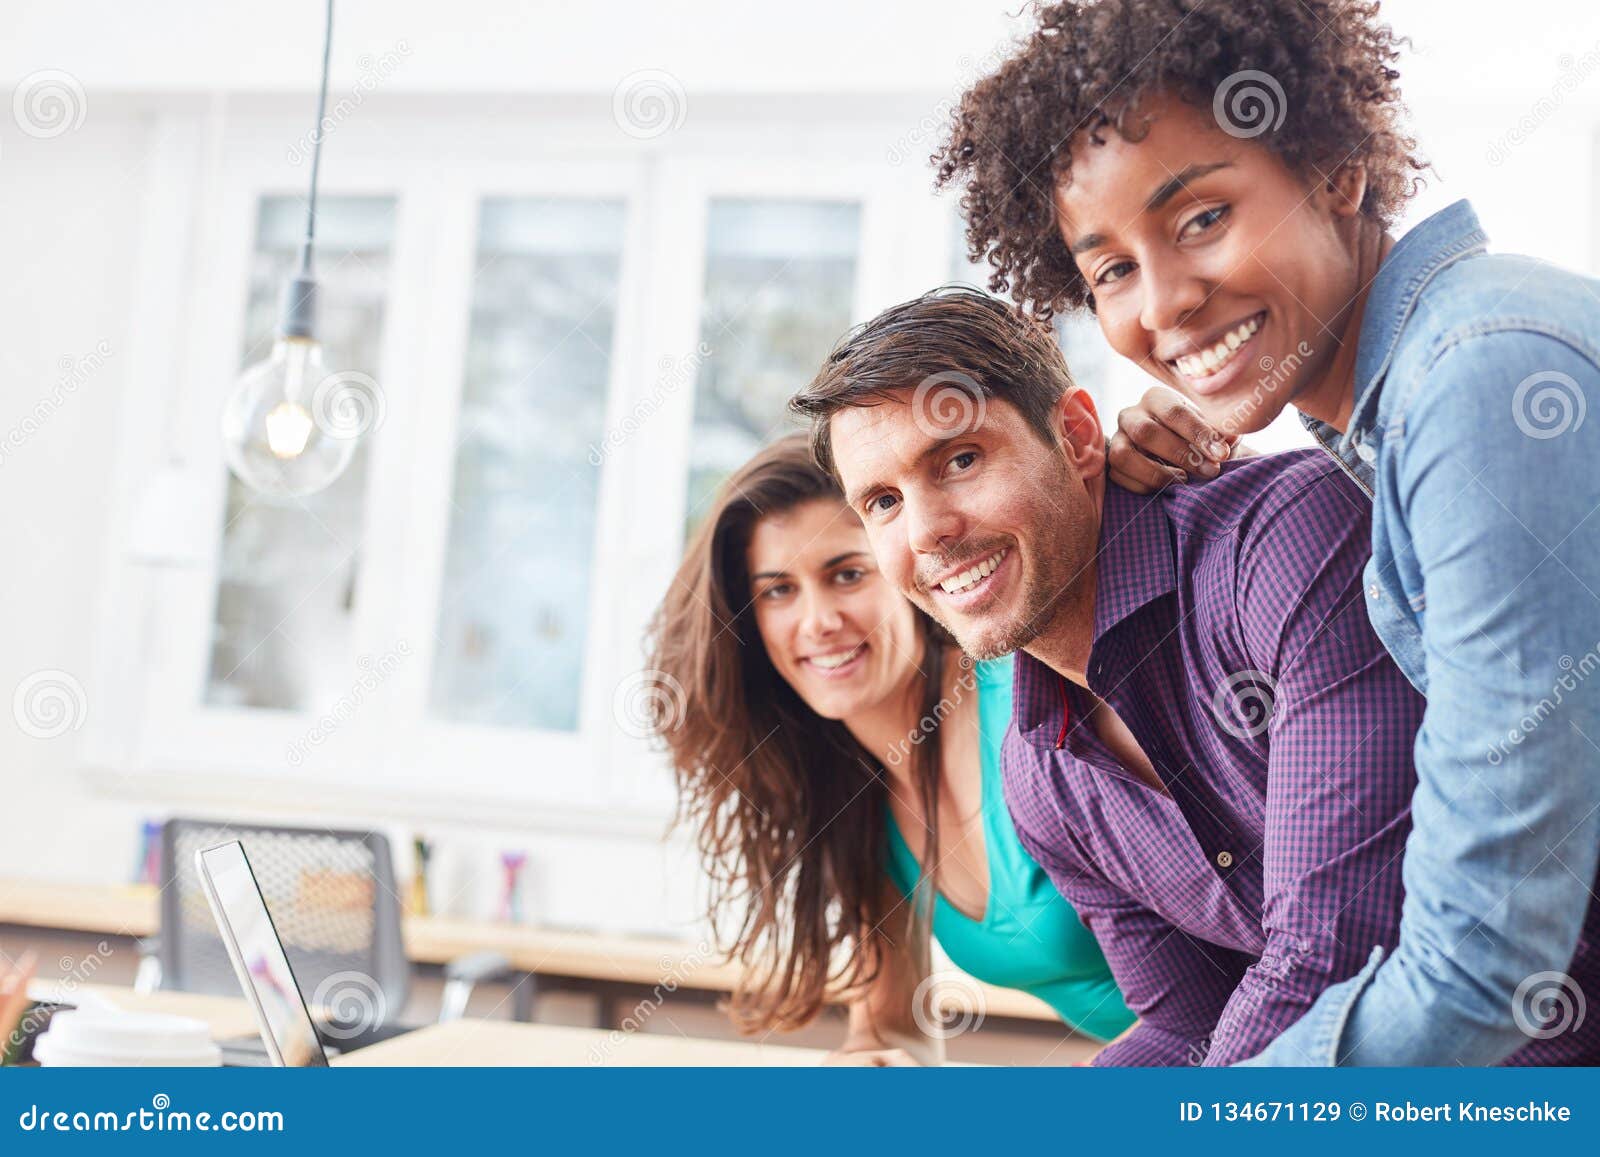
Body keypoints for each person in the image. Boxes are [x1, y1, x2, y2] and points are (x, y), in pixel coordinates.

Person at [933, 0, 1600, 1065]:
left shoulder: (1478, 381)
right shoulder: (1398, 409)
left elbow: (1477, 966)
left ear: (1336, 168)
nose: (1164, 305)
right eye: (1112, 270)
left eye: (1201, 218)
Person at [792, 286, 1443, 1066]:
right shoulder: (1039, 774)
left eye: (960, 460)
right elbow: (1186, 1026)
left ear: (1075, 434)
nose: (927, 531)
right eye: (884, 501)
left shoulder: (1277, 546)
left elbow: (1332, 949)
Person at [643, 434, 1133, 1064]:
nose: (818, 622)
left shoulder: (1033, 698)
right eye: (778, 591)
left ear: (906, 568)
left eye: (847, 575)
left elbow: (1210, 978)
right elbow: (894, 1030)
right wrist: (869, 1065)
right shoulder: (856, 794)